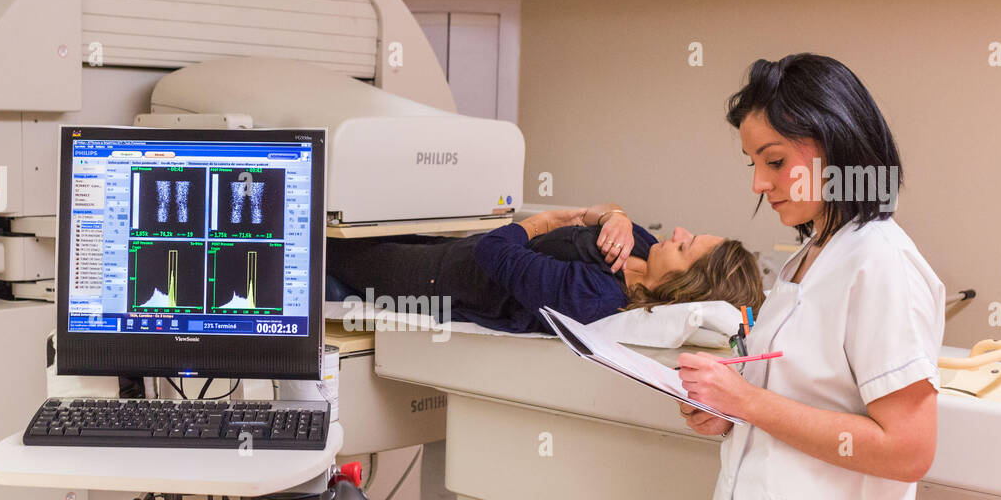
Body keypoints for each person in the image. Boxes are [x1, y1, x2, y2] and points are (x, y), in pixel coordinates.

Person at [675, 53, 945, 500]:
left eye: (775, 161)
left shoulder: (881, 262)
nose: (762, 186)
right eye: (752, 166)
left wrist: (752, 404)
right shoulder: (805, 260)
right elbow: (792, 398)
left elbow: (910, 449)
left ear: (837, 140)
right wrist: (728, 412)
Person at [325, 203, 765, 333]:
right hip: (453, 252)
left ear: (682, 283)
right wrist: (613, 216)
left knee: (333, 255)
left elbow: (495, 252)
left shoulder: (596, 297)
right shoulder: (644, 251)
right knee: (347, 238)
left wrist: (543, 223)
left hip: (439, 280)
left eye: (685, 246)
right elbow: (606, 211)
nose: (679, 230)